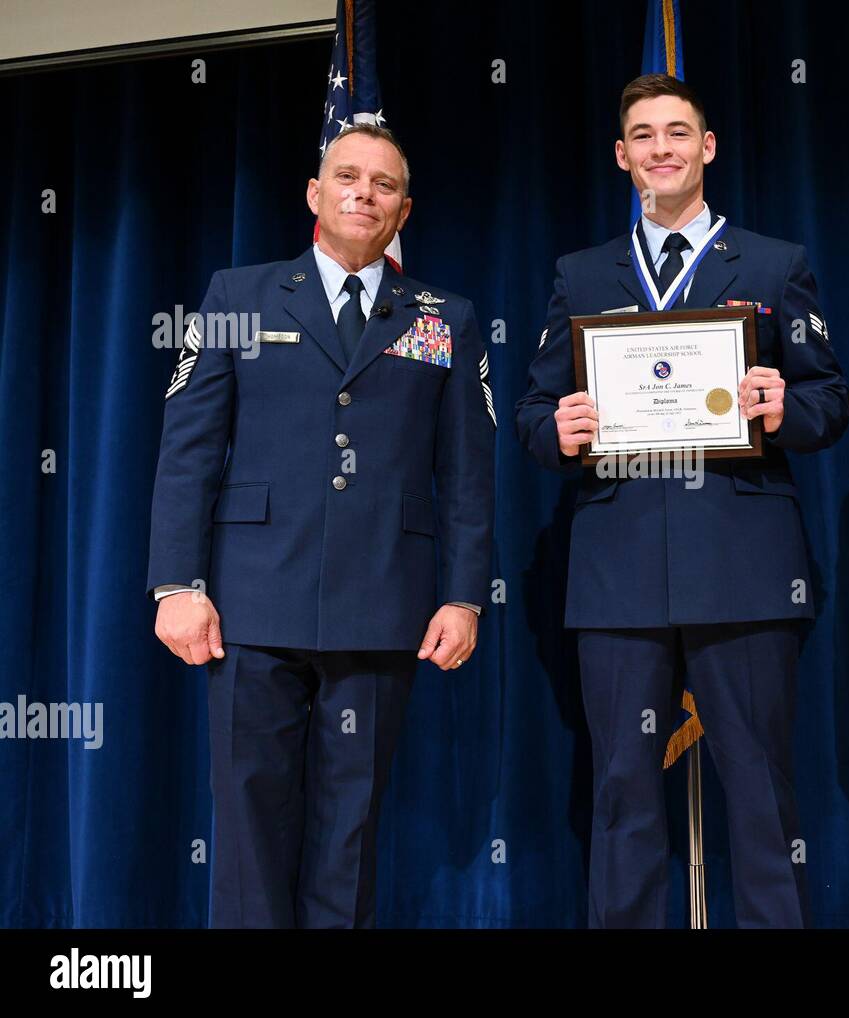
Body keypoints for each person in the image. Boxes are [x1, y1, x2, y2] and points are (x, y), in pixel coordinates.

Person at [516, 74, 849, 928]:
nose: (661, 148)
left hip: (744, 566)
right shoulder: (581, 273)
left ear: (707, 147)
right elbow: (529, 413)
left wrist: (784, 411)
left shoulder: (776, 263)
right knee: (622, 792)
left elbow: (830, 402)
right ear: (622, 155)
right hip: (617, 570)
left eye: (678, 132)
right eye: (643, 135)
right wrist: (561, 427)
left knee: (761, 791)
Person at [147, 124, 495, 928]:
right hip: (250, 605)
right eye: (347, 176)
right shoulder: (238, 296)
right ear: (315, 193)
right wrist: (176, 583)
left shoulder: (445, 316)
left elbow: (470, 475)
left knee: (350, 830)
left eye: (382, 185)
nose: (363, 193)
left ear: (403, 208)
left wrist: (465, 597)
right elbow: (187, 453)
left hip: (384, 607)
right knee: (247, 823)